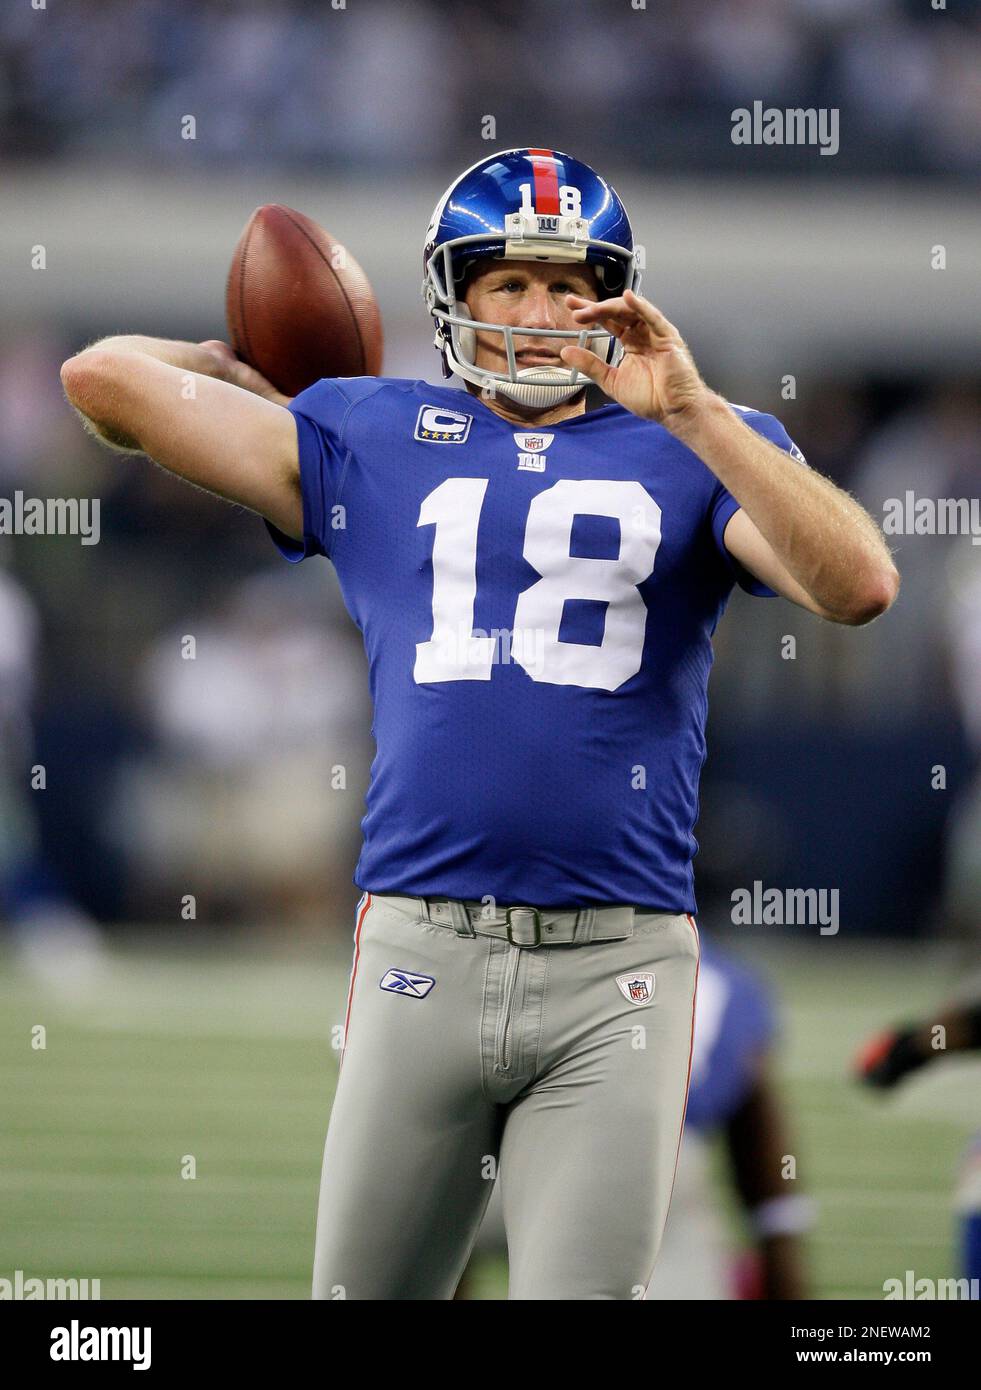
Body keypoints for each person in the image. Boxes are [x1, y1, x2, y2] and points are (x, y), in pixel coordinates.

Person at [59, 148, 899, 1300]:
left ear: (620, 295)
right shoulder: (369, 428)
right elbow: (101, 379)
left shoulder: (703, 442)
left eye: (570, 284)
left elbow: (857, 584)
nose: (543, 313)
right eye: (509, 283)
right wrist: (217, 362)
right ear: (453, 296)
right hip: (422, 949)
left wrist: (697, 413)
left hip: (623, 966)